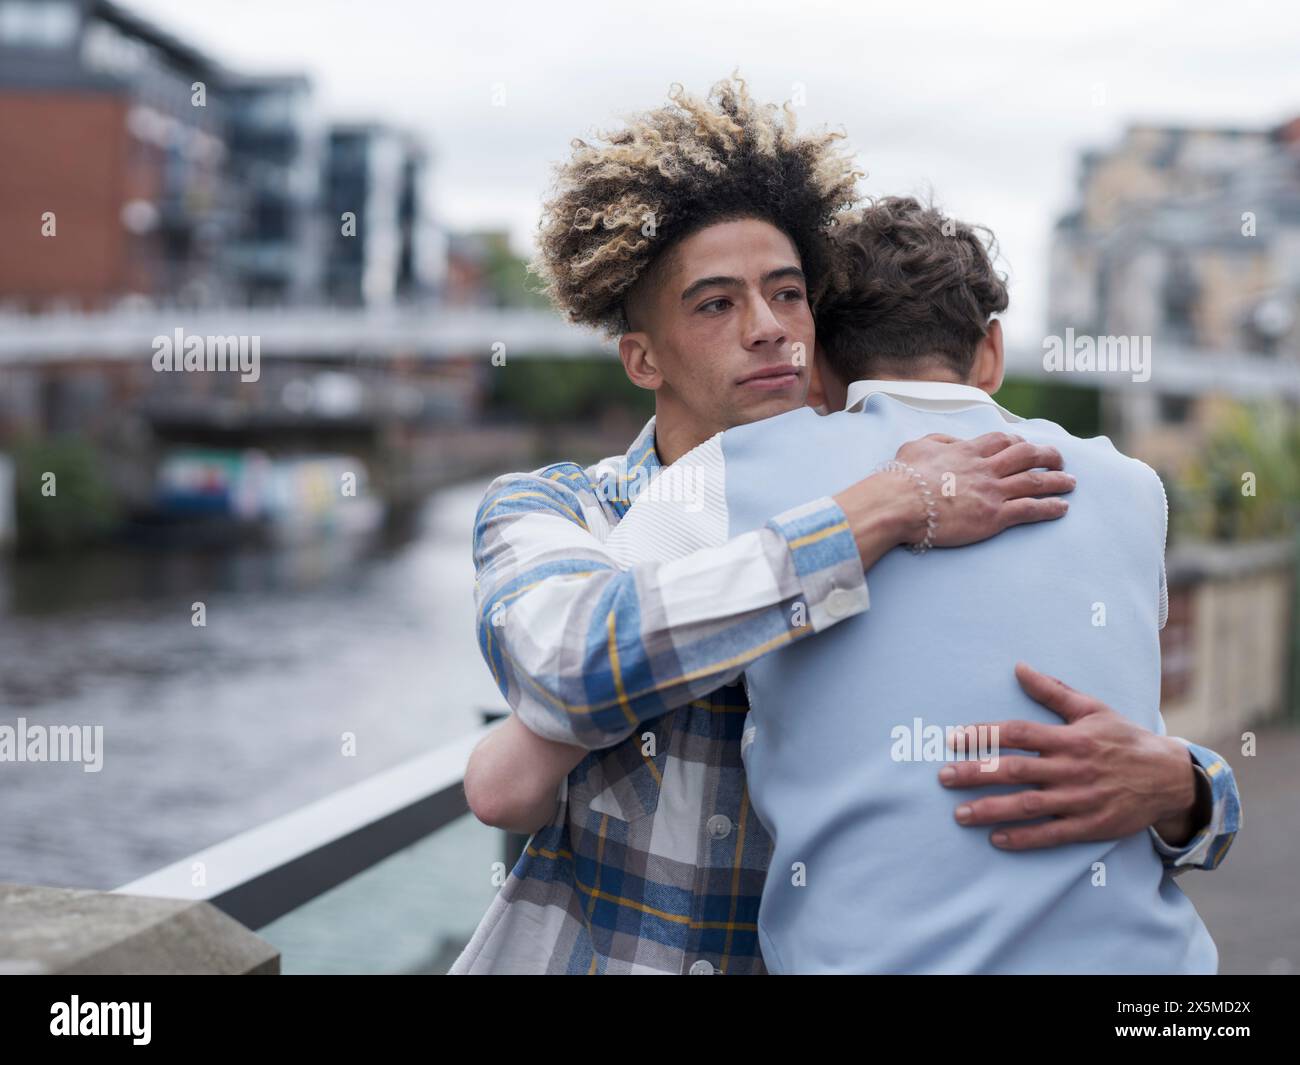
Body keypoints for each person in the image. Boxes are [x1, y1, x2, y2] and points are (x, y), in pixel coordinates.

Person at [452, 76, 1238, 975]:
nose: (768, 330)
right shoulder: (556, 510)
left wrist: (1184, 786)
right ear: (641, 356)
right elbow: (564, 669)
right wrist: (885, 509)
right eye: (716, 304)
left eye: (789, 296)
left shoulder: (938, 480)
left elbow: (1036, 730)